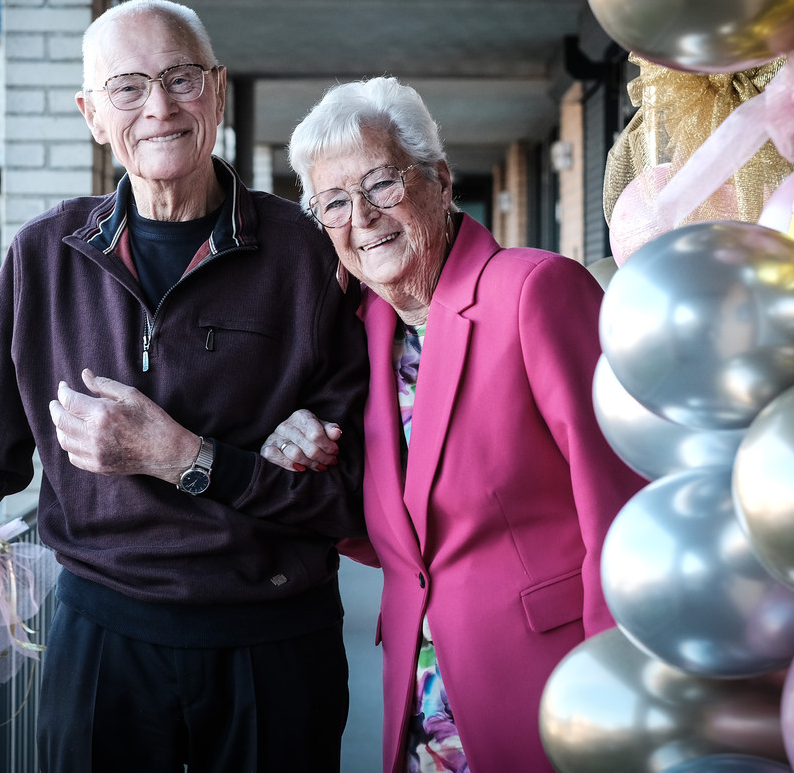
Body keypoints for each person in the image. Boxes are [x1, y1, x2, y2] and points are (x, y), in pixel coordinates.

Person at [0, 0, 370, 773]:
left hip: (274, 641)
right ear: (93, 114)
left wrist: (184, 457)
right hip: (103, 639)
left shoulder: (306, 251)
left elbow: (350, 493)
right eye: (127, 88)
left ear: (218, 91)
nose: (159, 107)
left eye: (180, 78)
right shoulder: (43, 259)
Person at [271, 76, 646, 773]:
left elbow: (620, 508)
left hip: (550, 684)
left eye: (381, 184)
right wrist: (308, 454)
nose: (363, 217)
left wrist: (616, 689)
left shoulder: (535, 292)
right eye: (334, 202)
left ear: (439, 181)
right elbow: (407, 540)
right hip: (424, 705)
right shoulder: (368, 334)